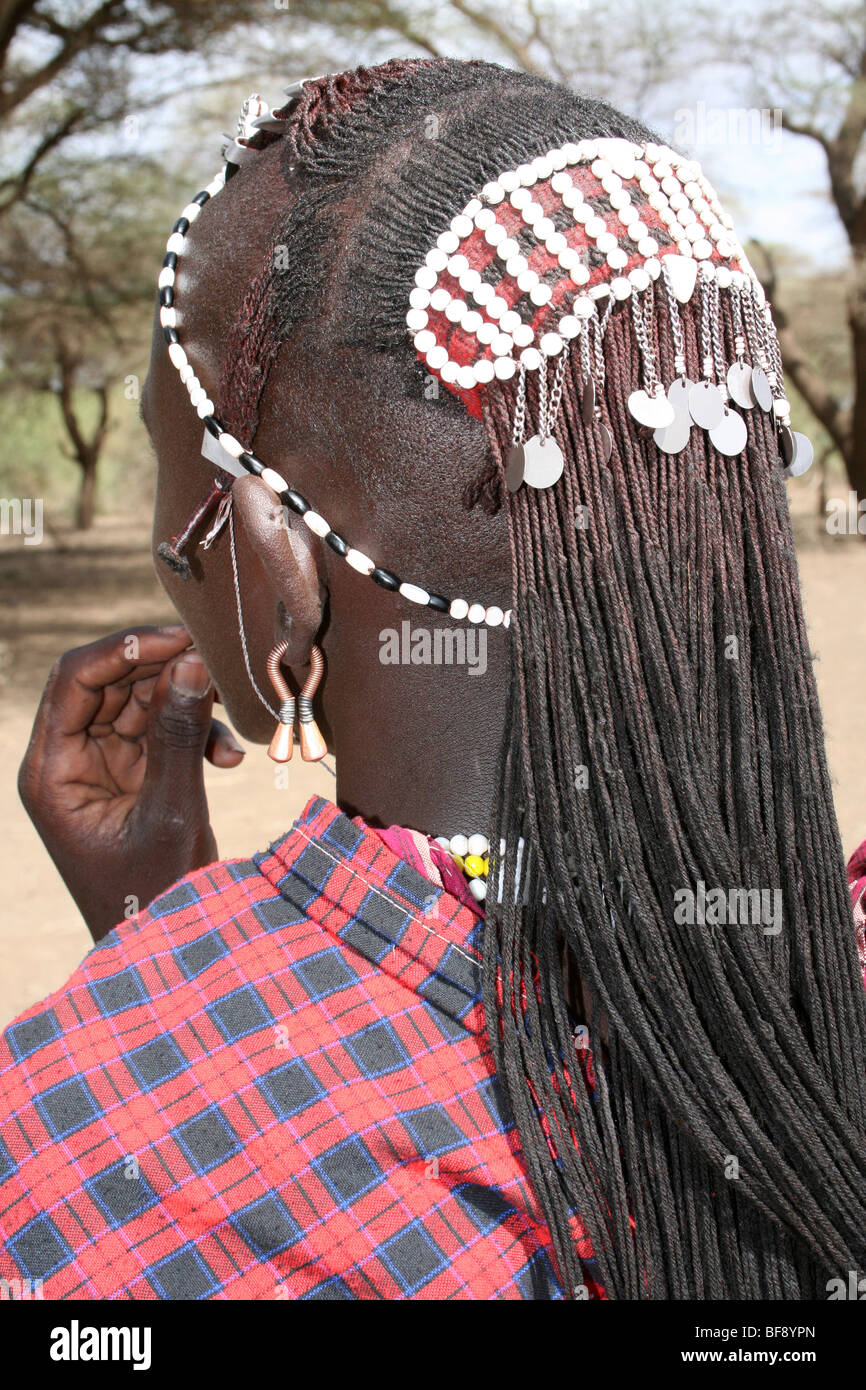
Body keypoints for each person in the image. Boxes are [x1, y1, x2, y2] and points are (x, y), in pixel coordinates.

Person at [1, 57, 866, 1301]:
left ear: (275, 564)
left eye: (163, 449)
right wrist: (168, 939)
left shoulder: (71, 1145)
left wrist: (159, 973)